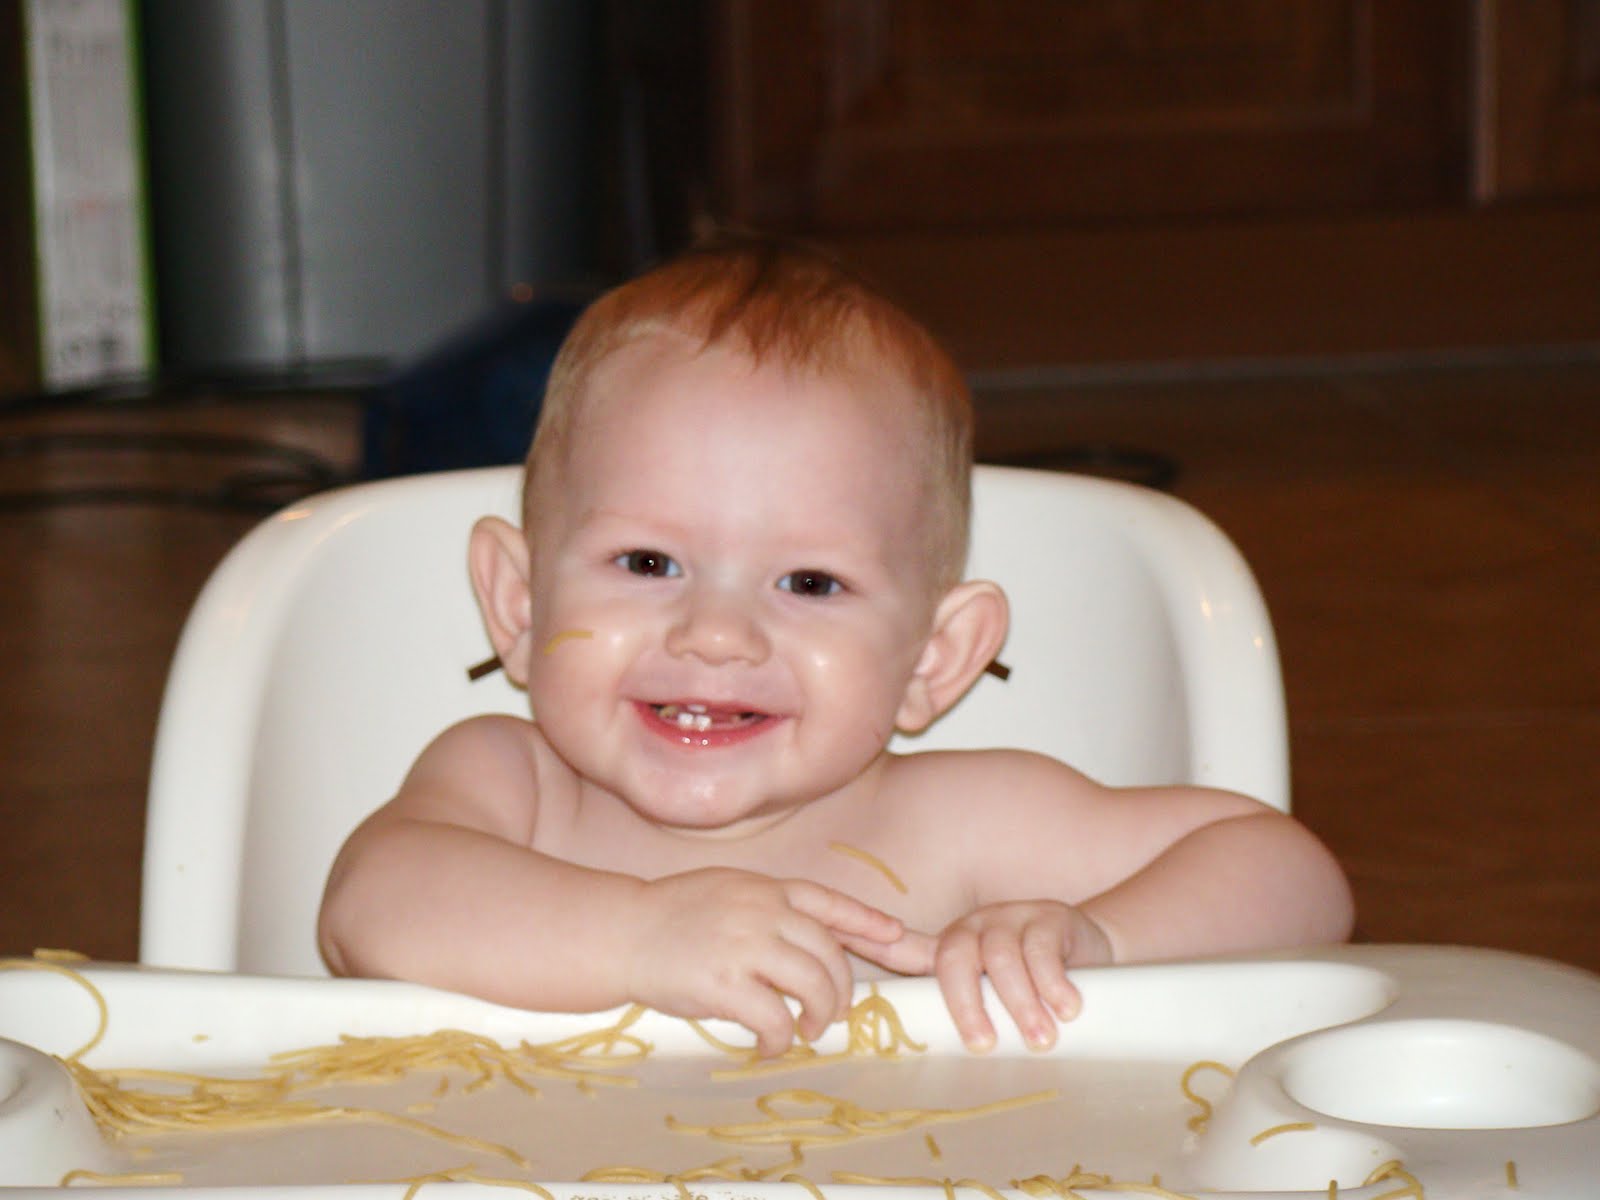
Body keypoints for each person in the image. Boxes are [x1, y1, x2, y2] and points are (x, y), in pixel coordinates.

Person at [318, 233, 1353, 1057]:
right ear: (517, 603)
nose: (716, 634)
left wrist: (1100, 939)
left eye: (809, 583)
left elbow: (1290, 876)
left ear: (935, 660)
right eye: (646, 563)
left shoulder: (958, 826)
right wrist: (641, 936)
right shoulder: (512, 788)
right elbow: (369, 908)